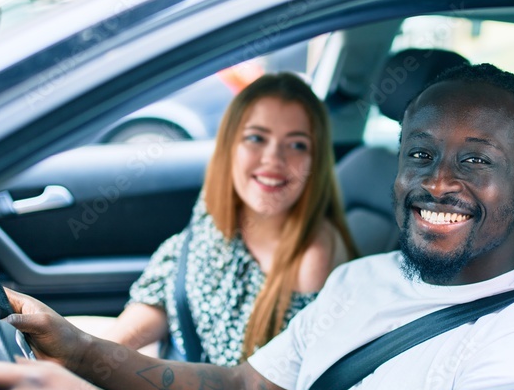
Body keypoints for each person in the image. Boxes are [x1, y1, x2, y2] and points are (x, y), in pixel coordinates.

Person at [0, 63, 514, 390]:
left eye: (477, 161)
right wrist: (78, 350)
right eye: (421, 154)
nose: (438, 183)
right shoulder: (365, 278)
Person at [81, 72, 357, 366]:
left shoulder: (312, 258)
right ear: (229, 145)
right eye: (256, 138)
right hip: (173, 359)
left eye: (297, 144)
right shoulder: (222, 208)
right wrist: (97, 353)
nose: (273, 159)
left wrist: (112, 368)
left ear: (316, 162)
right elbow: (169, 294)